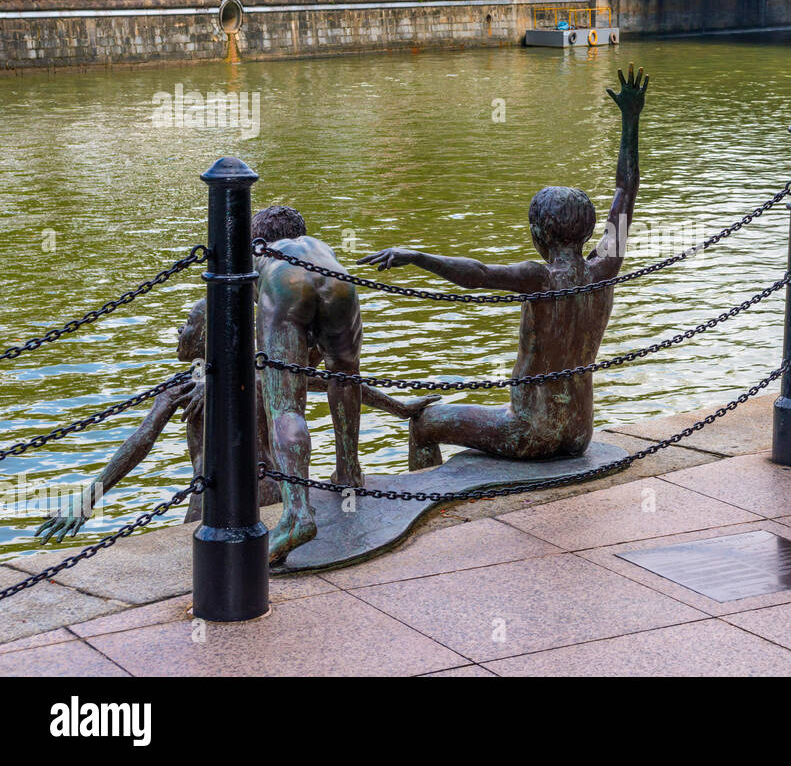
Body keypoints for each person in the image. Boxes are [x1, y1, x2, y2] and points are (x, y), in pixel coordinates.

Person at [360, 65, 648, 464]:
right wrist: (630, 120)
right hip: (579, 430)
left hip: (532, 431)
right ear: (586, 231)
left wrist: (418, 256)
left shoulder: (540, 277)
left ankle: (425, 500)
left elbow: (476, 275)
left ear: (539, 234)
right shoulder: (605, 266)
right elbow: (626, 188)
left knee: (424, 422)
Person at [34, 297, 435, 543]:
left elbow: (140, 442)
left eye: (189, 324)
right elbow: (342, 384)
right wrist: (402, 409)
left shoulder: (187, 384)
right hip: (278, 492)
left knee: (196, 558)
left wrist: (88, 499)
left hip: (219, 500)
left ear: (209, 337)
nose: (181, 330)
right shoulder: (268, 372)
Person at [253, 205, 365, 562]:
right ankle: (349, 472)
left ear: (258, 238)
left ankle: (298, 514)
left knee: (284, 404)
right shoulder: (318, 247)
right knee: (345, 373)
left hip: (284, 286)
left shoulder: (263, 255)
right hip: (338, 281)